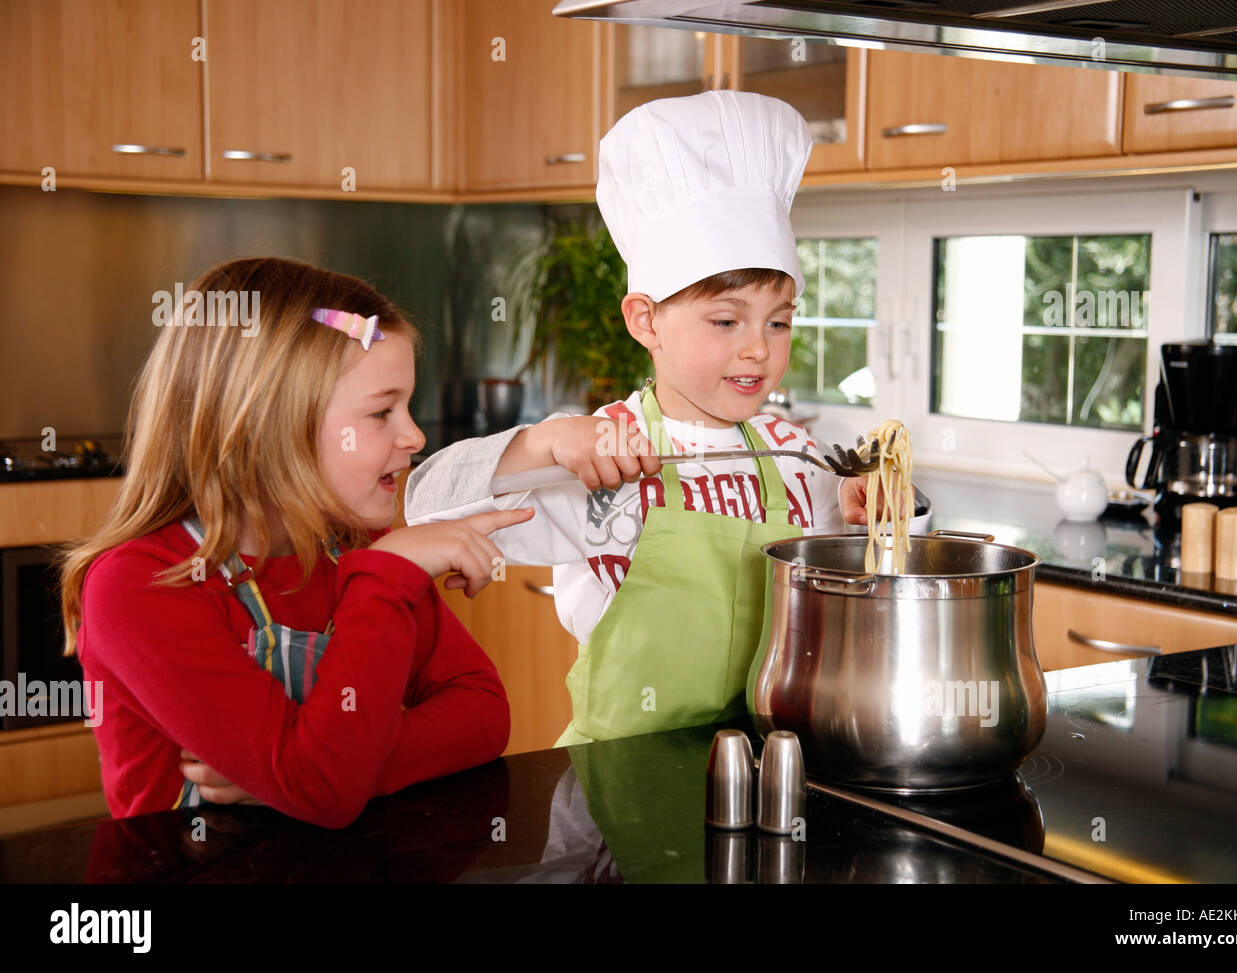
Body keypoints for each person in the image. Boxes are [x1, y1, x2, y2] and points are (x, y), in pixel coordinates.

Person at [405, 91, 888, 746]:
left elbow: (858, 576)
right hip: (616, 797)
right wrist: (544, 442)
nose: (758, 348)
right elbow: (418, 507)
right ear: (645, 320)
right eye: (726, 320)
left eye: (779, 320)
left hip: (755, 781)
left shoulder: (794, 456)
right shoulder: (601, 454)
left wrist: (867, 508)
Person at [60, 256, 533, 828]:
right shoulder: (139, 586)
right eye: (382, 412)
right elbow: (322, 787)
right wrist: (385, 578)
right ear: (271, 425)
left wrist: (332, 770)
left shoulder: (361, 545)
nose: (414, 436)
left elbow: (482, 713)